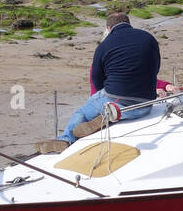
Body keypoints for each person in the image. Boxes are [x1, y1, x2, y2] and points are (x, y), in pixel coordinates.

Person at [38, 12, 160, 153]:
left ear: (108, 28)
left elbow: (96, 78)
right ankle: (108, 117)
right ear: (128, 23)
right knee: (113, 104)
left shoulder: (104, 45)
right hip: (146, 105)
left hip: (117, 100)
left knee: (83, 113)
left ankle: (66, 139)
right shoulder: (148, 38)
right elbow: (155, 67)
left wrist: (104, 92)